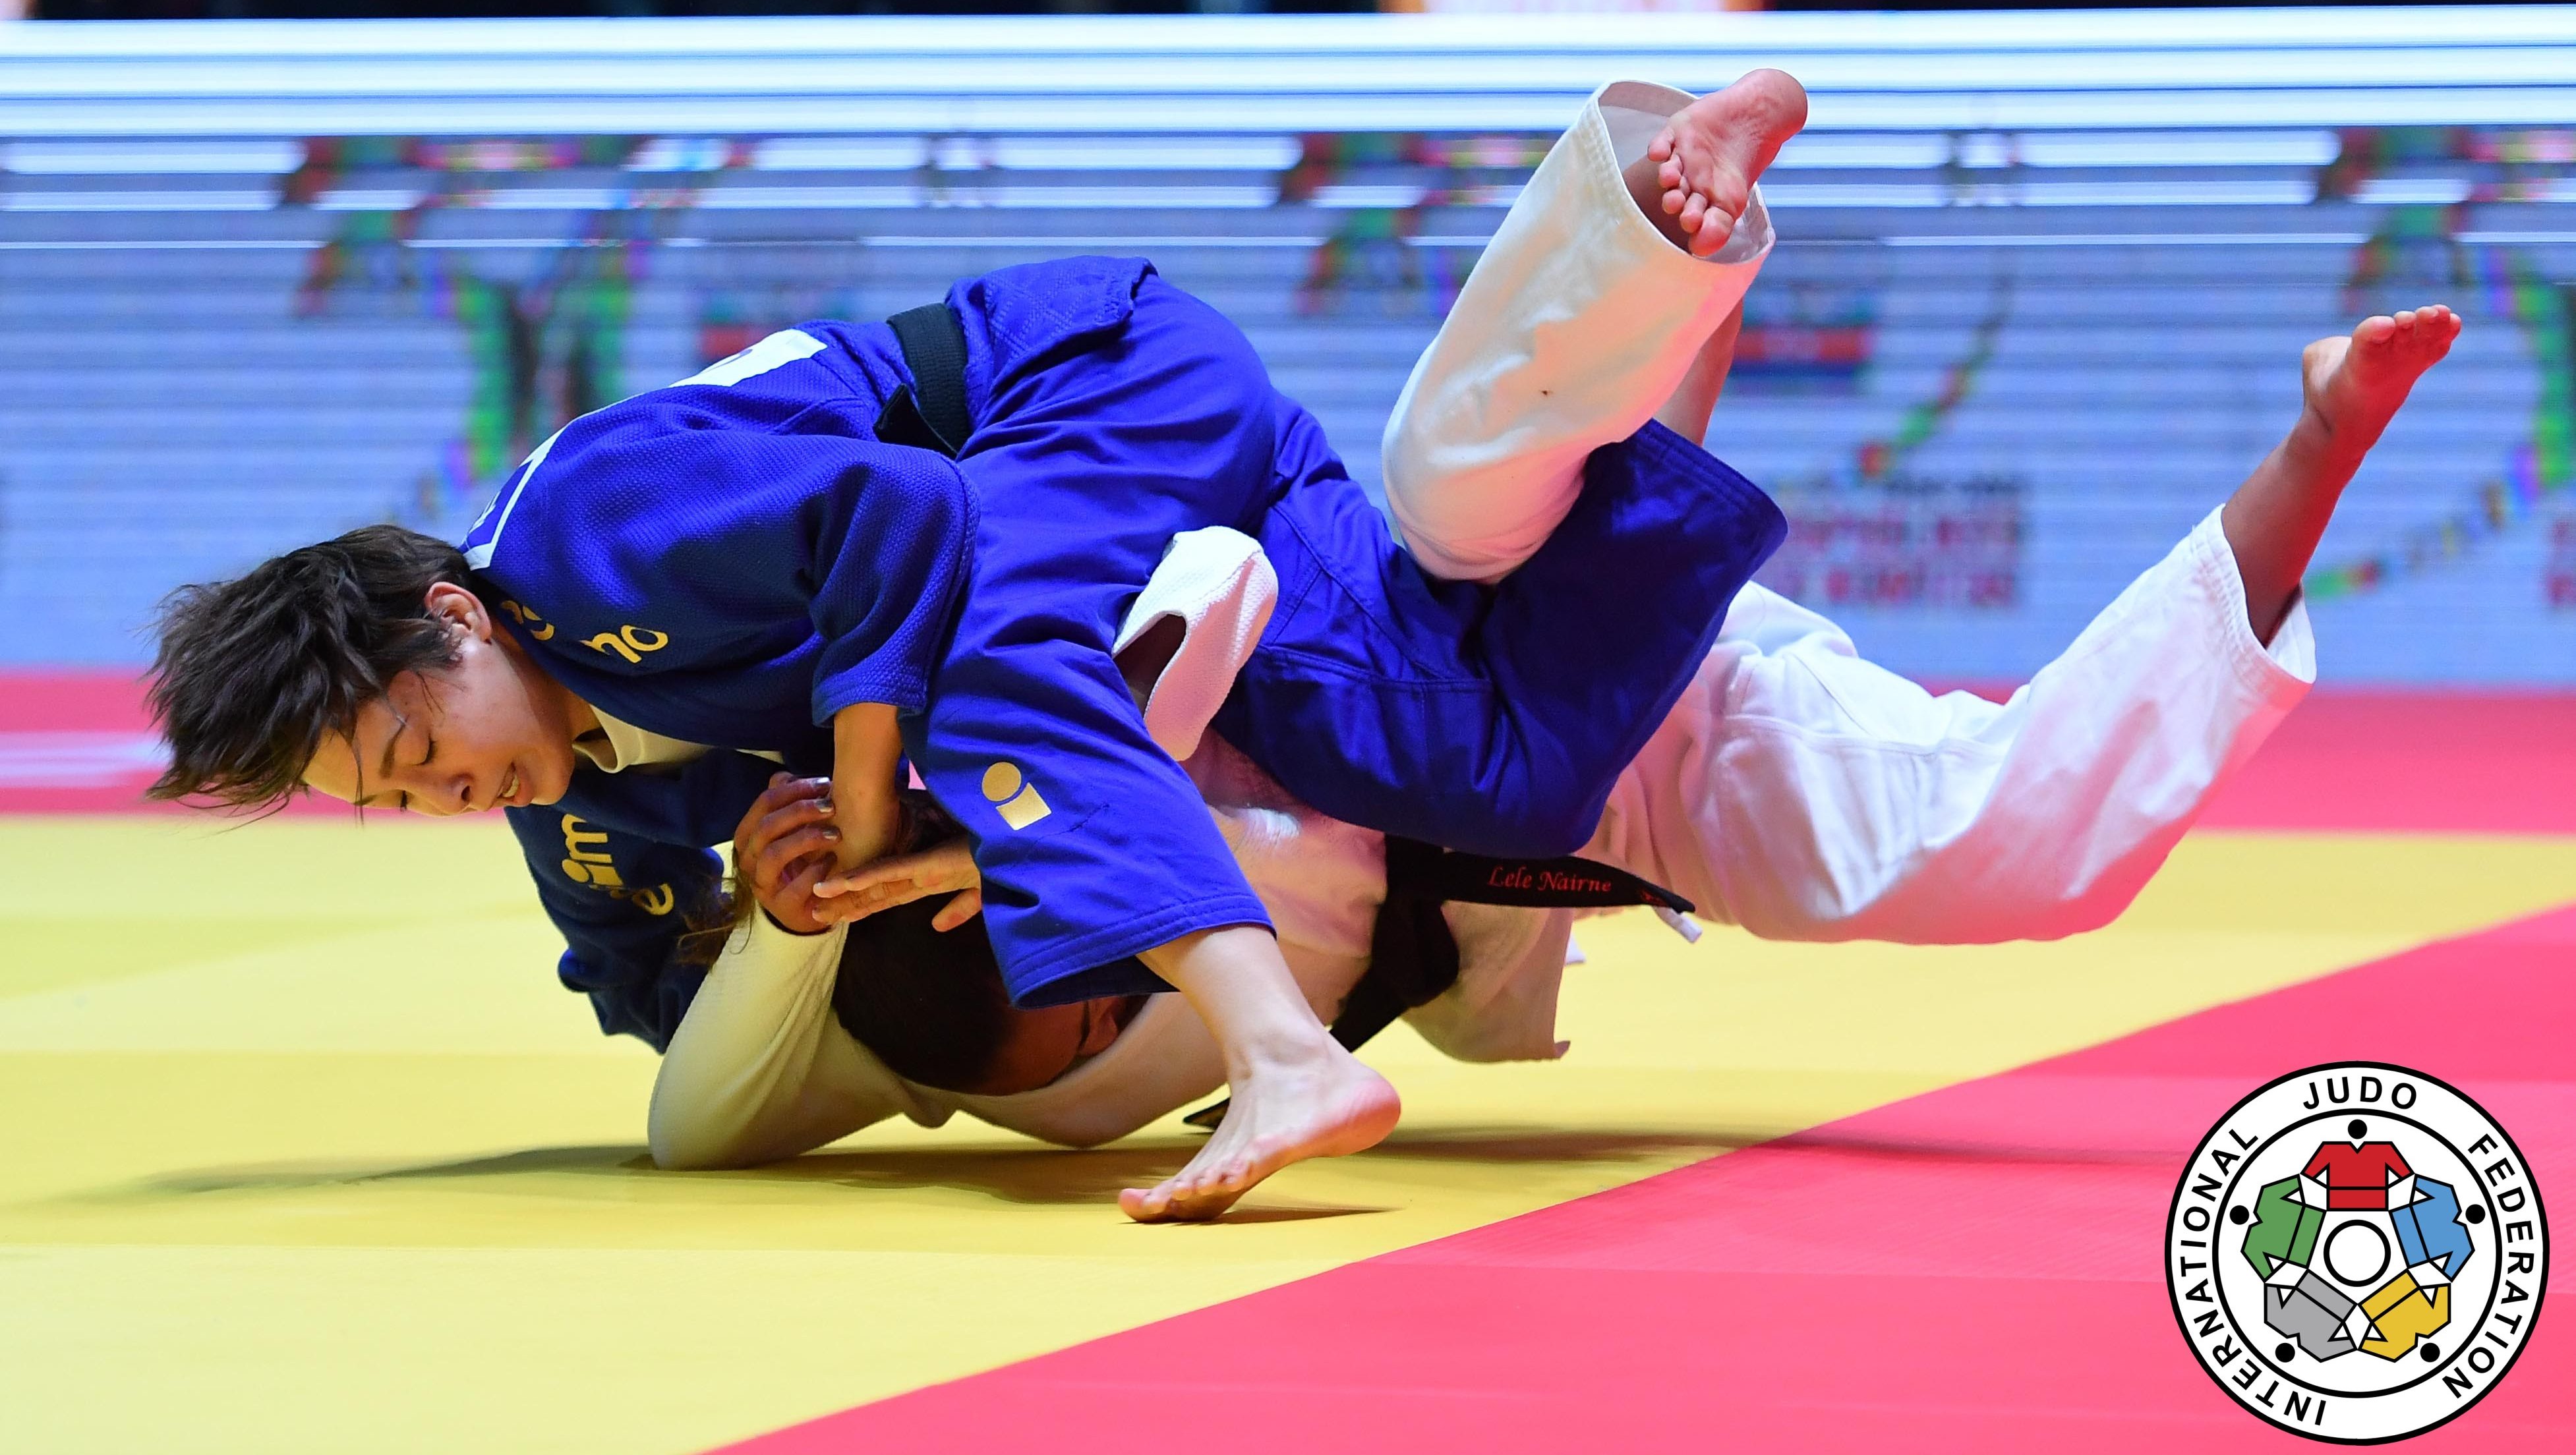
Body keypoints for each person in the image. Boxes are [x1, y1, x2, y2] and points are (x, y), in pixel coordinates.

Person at [639, 72, 2461, 1173]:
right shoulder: (929, 1066)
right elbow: (694, 1128)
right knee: (2031, 855)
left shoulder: (998, 725)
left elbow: (1185, 588)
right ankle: (2319, 440)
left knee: (1459, 500)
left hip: (1377, 627)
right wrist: (790, 920)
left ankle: (1665, 230)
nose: (1111, 985)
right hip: (1586, 794)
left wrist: (855, 826)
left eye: (1077, 967)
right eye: (1084, 1012)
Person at [144, 74, 1809, 1221]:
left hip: (1085, 381)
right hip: (1148, 491)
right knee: (1489, 765)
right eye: (391, 806)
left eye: (415, 755)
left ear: (450, 618)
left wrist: (870, 814)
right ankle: (1667, 267)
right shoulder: (569, 803)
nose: (439, 798)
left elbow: (909, 524)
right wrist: (775, 910)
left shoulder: (581, 530)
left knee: (1001, 671)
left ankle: (1282, 1058)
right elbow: (675, 1018)